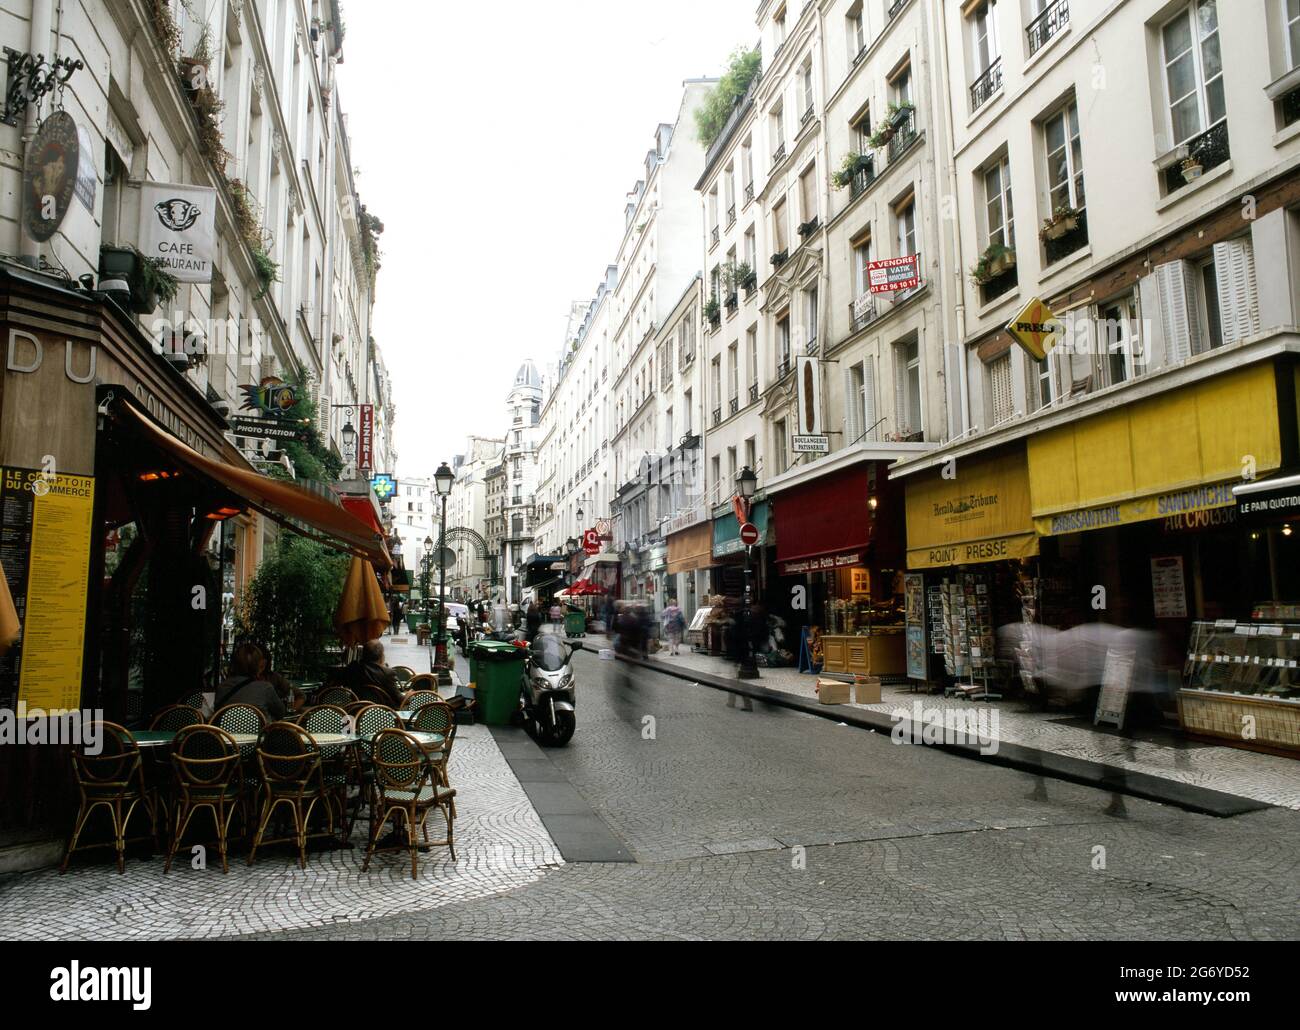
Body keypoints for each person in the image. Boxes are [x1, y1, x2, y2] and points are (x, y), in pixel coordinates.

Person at [213, 642, 286, 720]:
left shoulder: (222, 687)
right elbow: (281, 713)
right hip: (260, 731)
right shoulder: (266, 688)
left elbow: (217, 713)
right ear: (258, 665)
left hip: (223, 732)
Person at [345, 639, 407, 707]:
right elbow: (400, 699)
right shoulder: (387, 673)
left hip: (357, 710)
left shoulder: (353, 668)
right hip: (382, 712)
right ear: (381, 656)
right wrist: (408, 696)